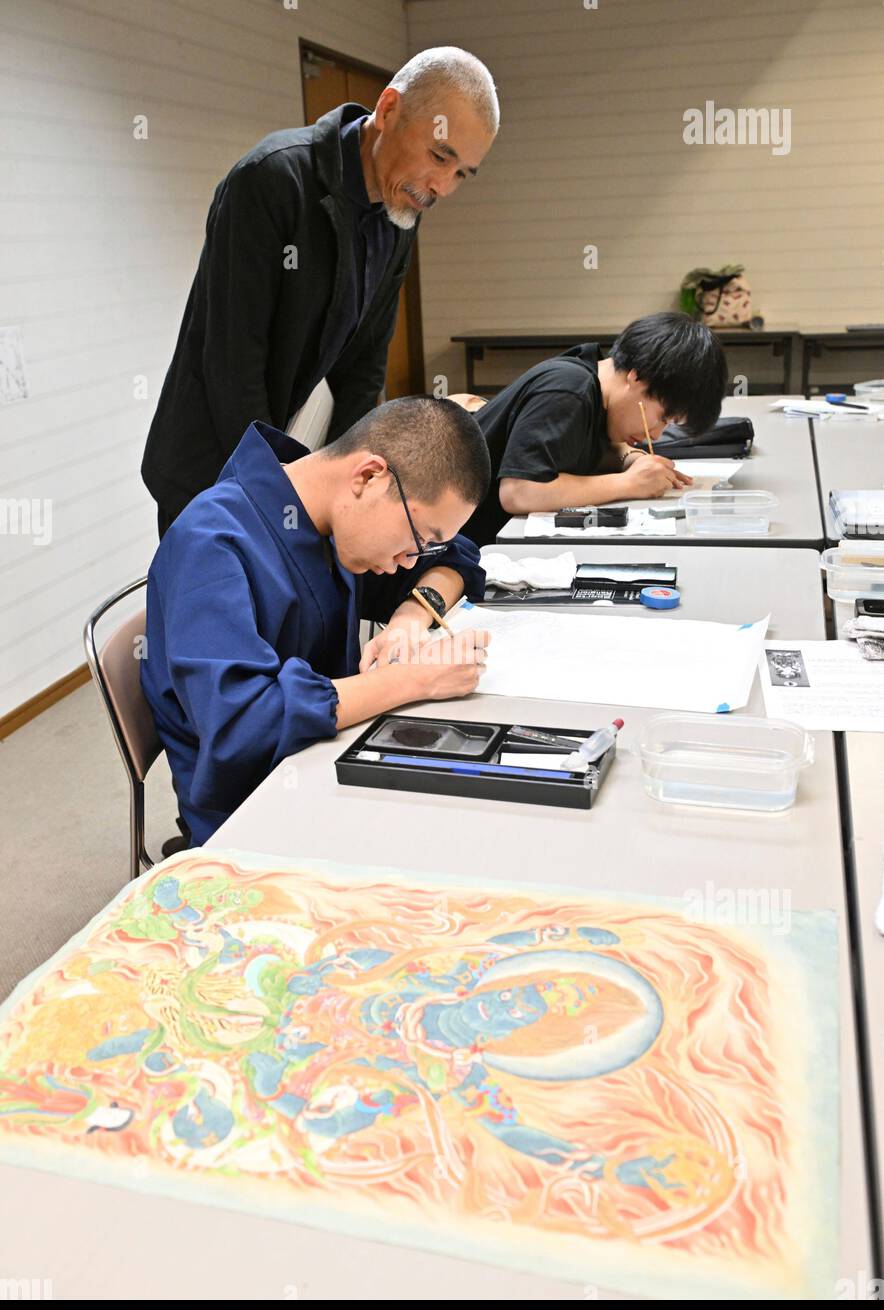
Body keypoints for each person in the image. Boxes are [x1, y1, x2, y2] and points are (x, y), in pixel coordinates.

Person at [140, 47, 499, 537]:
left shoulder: (398, 215)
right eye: (440, 156)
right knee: (215, 608)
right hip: (210, 468)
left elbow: (363, 369)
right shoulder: (273, 180)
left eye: (462, 174)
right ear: (389, 109)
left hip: (293, 467)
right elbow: (233, 362)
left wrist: (339, 485)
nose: (443, 186)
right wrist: (278, 491)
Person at [141, 397, 492, 846]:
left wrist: (409, 618)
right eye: (417, 536)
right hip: (255, 809)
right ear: (367, 476)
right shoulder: (211, 543)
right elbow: (245, 725)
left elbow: (457, 560)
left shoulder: (328, 515)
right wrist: (416, 680)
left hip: (336, 753)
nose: (410, 557)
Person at [452, 312, 729, 546]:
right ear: (637, 377)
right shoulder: (569, 389)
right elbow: (519, 491)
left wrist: (630, 458)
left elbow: (581, 445)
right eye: (663, 417)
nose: (656, 434)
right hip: (456, 549)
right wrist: (630, 483)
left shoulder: (594, 383)